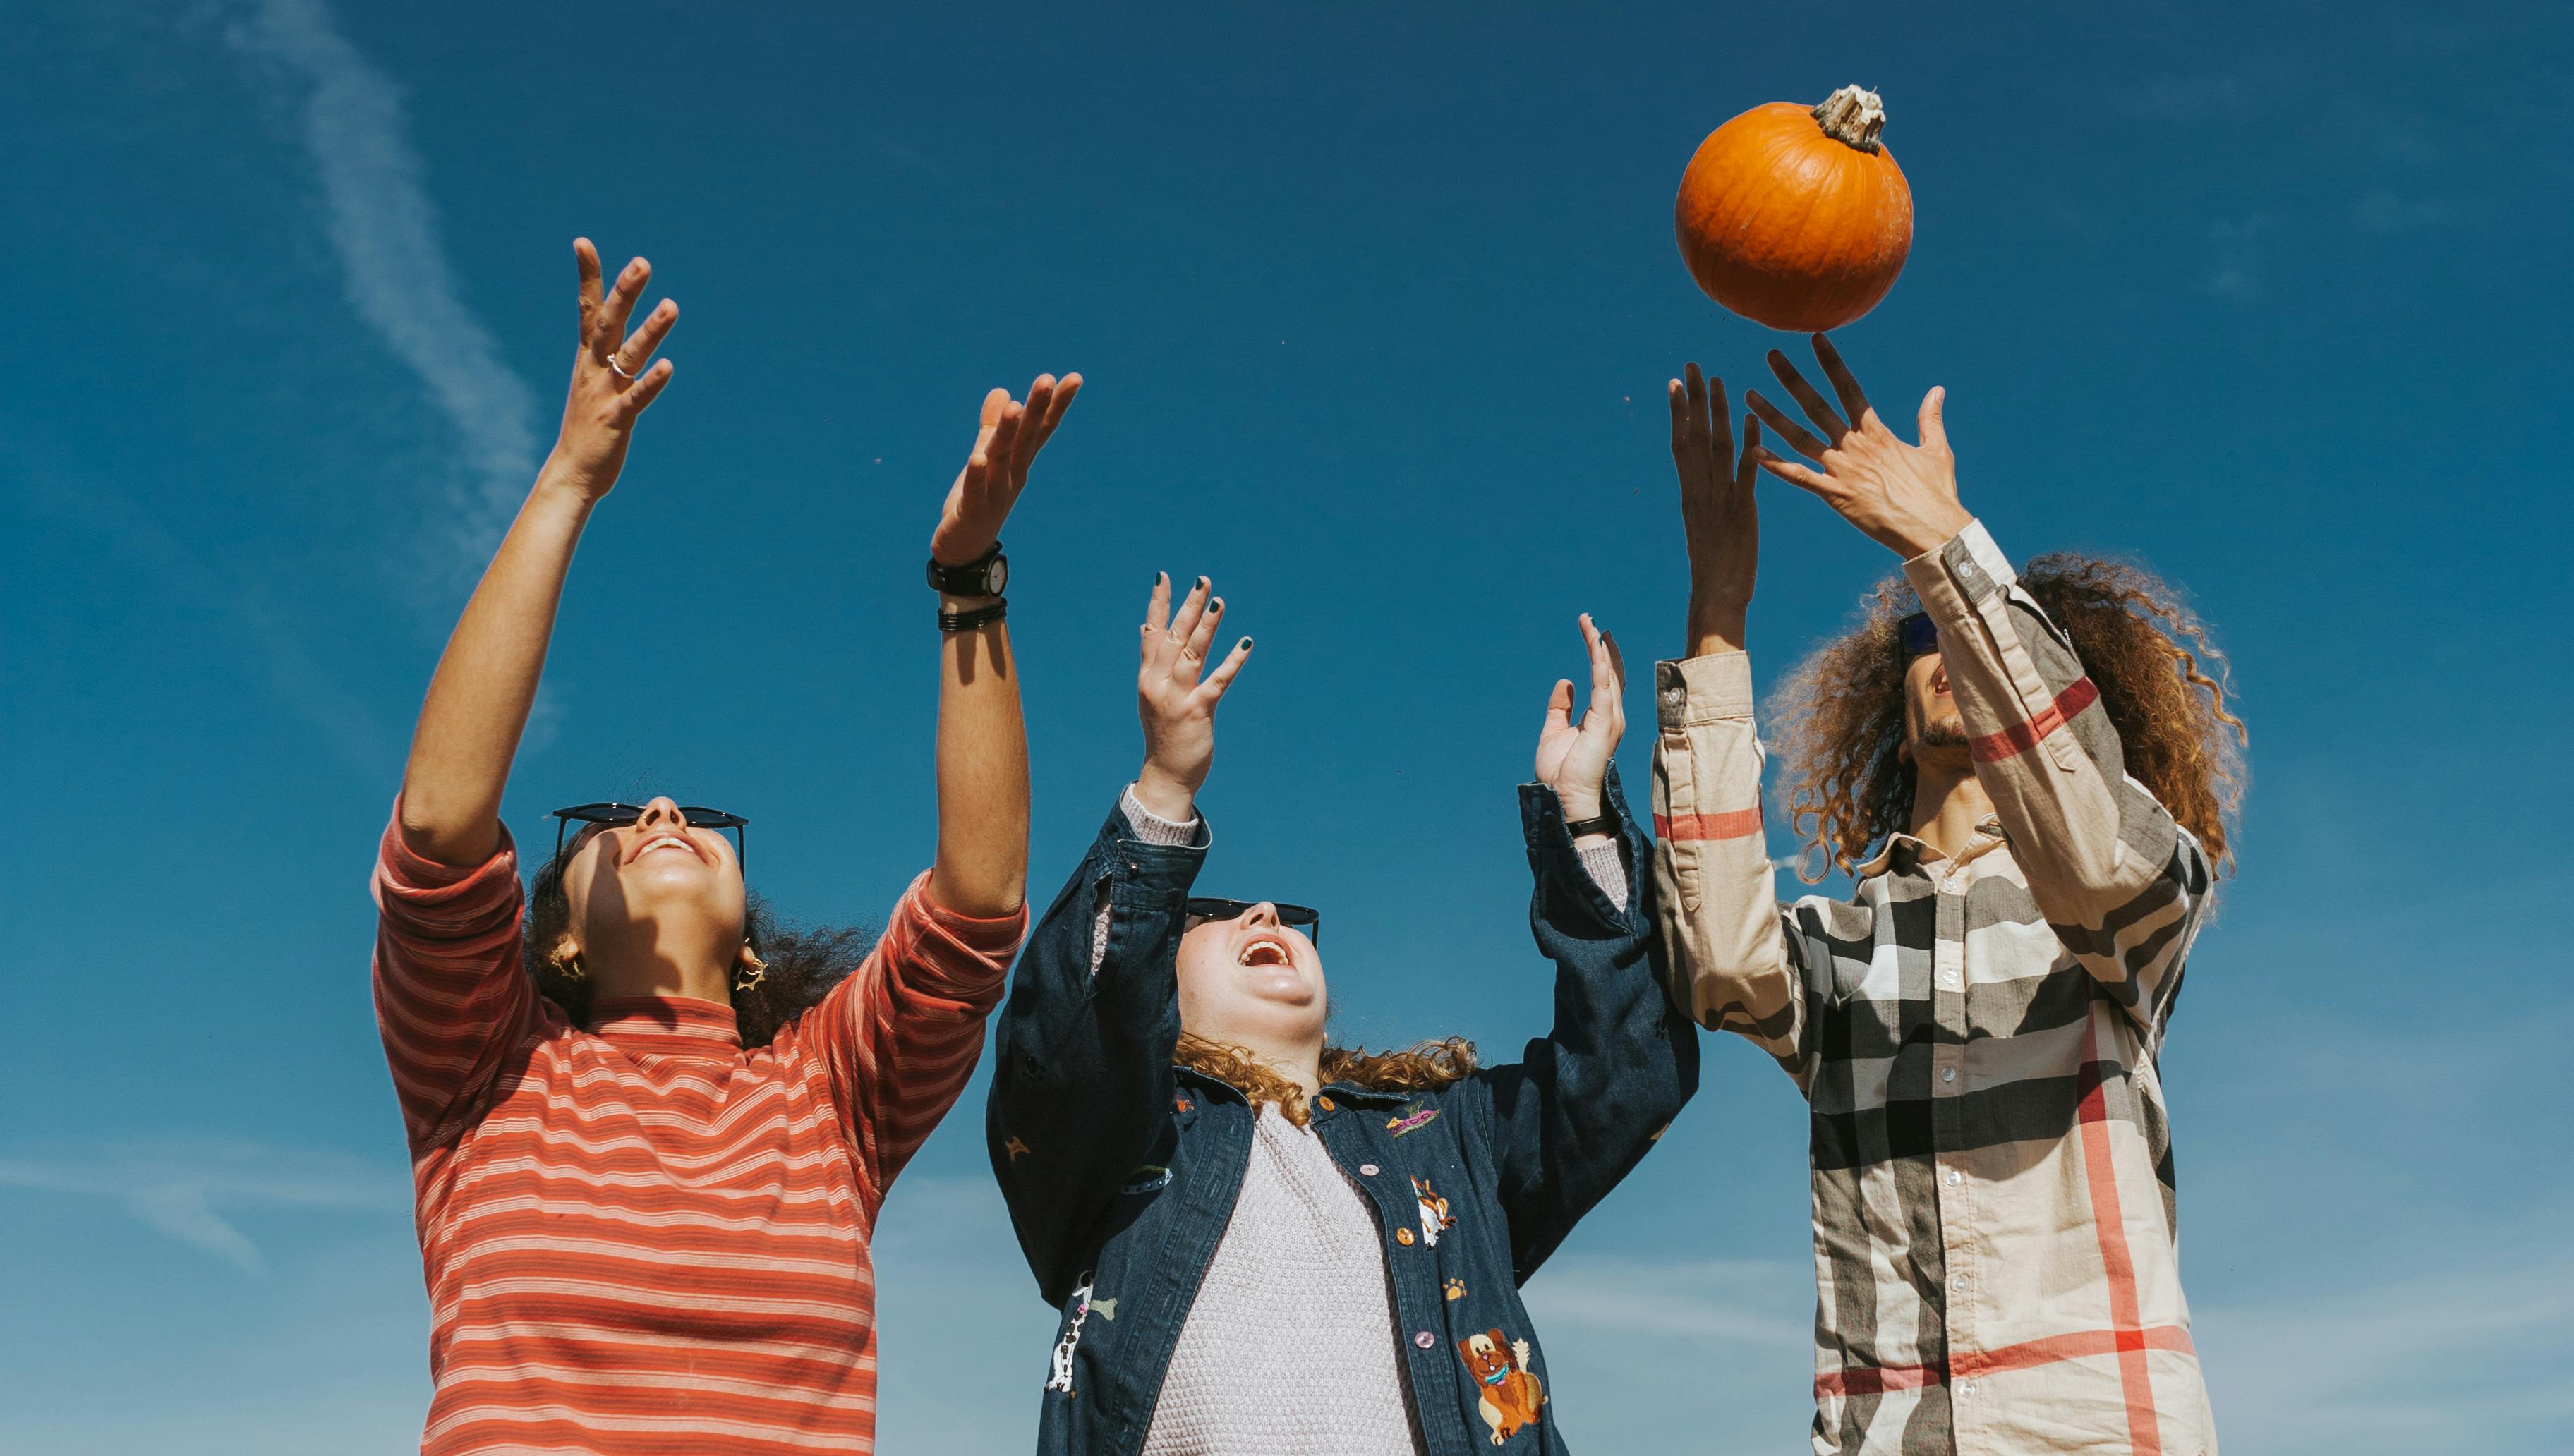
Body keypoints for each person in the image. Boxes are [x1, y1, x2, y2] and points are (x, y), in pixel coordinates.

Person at [373, 236, 1078, 1456]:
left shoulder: (828, 1095)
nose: (658, 817)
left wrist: (968, 579)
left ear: (749, 937)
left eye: (694, 818)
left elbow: (978, 907)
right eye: (608, 823)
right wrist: (567, 479)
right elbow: (438, 831)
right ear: (551, 931)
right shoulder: (482, 1068)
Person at [1651, 339, 2246, 1456]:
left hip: (2099, 1428)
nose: (1949, 652)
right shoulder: (1838, 945)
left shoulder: (2127, 910)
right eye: (1925, 637)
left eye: (1980, 636)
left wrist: (1944, 548)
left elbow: (2091, 851)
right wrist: (1719, 617)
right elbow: (1719, 965)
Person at [987, 570, 1699, 1455]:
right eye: (1216, 914)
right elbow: (1067, 1033)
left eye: (1285, 916)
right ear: (1159, 987)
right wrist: (1166, 786)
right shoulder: (1126, 1138)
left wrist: (1582, 814)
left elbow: (1629, 1069)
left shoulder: (1450, 1138)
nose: (1265, 915)